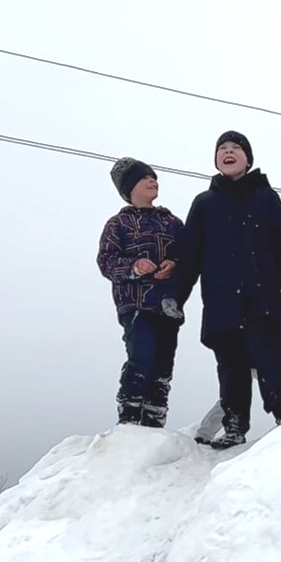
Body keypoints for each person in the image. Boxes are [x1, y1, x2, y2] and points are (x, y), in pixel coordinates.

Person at [169, 130, 281, 448]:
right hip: (221, 301)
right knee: (230, 366)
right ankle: (234, 426)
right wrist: (176, 297)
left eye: (236, 147)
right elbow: (190, 257)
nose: (228, 152)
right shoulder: (204, 204)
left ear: (248, 158)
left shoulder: (266, 198)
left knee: (268, 358)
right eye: (222, 148)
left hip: (261, 297)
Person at [96, 157, 184, 427]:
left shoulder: (172, 223)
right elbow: (106, 261)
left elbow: (190, 255)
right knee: (141, 354)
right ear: (129, 188)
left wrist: (174, 264)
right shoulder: (118, 224)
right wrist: (134, 266)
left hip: (168, 305)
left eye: (153, 176)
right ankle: (130, 418)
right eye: (144, 177)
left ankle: (155, 419)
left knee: (164, 361)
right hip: (134, 304)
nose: (152, 181)